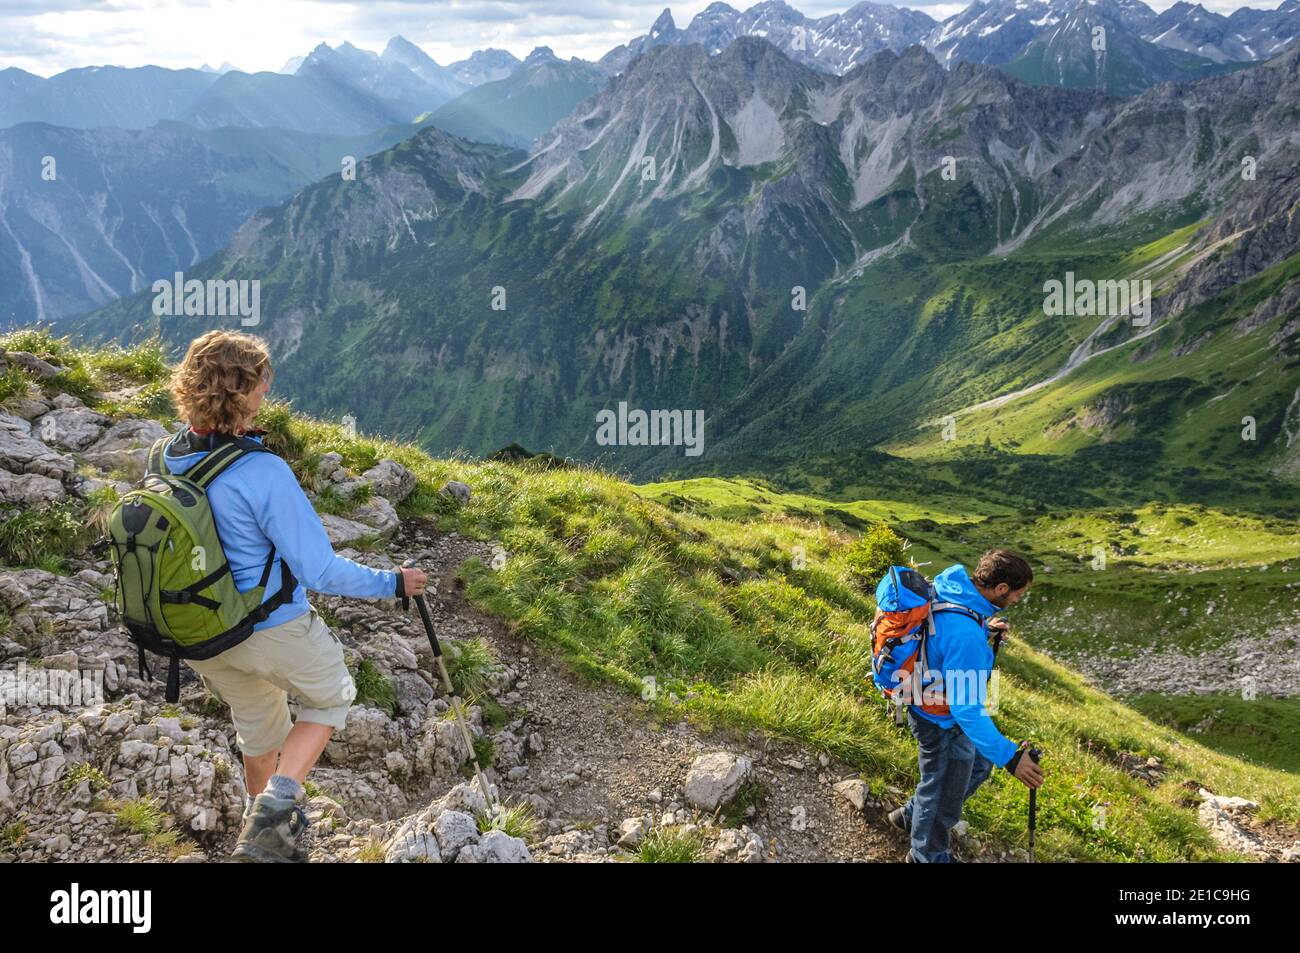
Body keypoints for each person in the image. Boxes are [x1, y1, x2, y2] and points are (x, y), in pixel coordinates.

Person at [161, 330, 428, 862]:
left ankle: (256, 833)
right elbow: (318, 569)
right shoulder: (261, 471)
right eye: (261, 381)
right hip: (268, 627)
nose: (268, 390)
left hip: (200, 635)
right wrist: (392, 582)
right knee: (330, 696)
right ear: (242, 392)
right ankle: (272, 822)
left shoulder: (168, 455)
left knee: (258, 726)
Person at [887, 549, 1044, 863]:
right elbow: (967, 710)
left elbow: (943, 632)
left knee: (978, 764)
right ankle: (926, 856)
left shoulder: (953, 591)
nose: (1016, 600)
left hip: (929, 701)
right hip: (940, 718)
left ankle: (911, 816)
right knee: (944, 789)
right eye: (1017, 594)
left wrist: (986, 629)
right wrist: (1012, 759)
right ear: (1001, 589)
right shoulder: (966, 636)